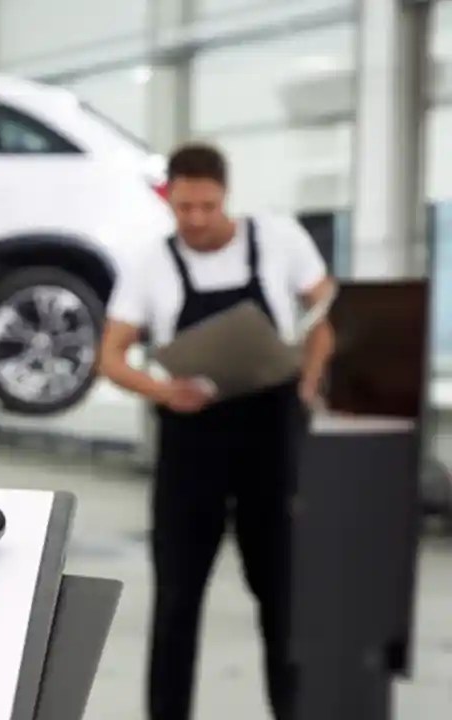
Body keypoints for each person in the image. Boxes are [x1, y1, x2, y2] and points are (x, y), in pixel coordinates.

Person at [98, 143, 335, 720]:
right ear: (168, 199)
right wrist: (163, 391)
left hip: (271, 438)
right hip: (191, 441)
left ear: (225, 194)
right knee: (177, 598)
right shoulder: (149, 264)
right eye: (184, 207)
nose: (196, 219)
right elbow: (111, 356)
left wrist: (308, 379)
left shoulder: (279, 240)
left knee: (283, 597)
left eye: (206, 205)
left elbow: (327, 308)